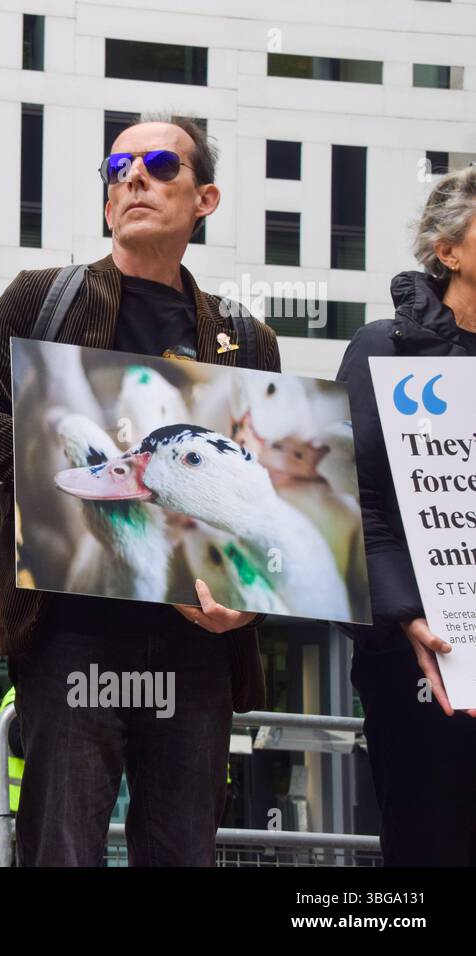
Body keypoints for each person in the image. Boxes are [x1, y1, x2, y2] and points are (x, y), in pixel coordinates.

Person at [0, 115, 281, 866]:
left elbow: (259, 499)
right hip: (70, 631)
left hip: (198, 642)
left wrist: (247, 598)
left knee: (182, 849)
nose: (133, 178)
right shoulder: (42, 299)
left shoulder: (245, 338)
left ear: (205, 199)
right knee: (58, 848)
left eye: (159, 164)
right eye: (117, 166)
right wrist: (66, 477)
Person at [335, 165, 476, 865]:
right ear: (448, 251)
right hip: (418, 654)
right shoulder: (381, 349)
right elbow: (351, 496)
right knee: (431, 842)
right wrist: (406, 615)